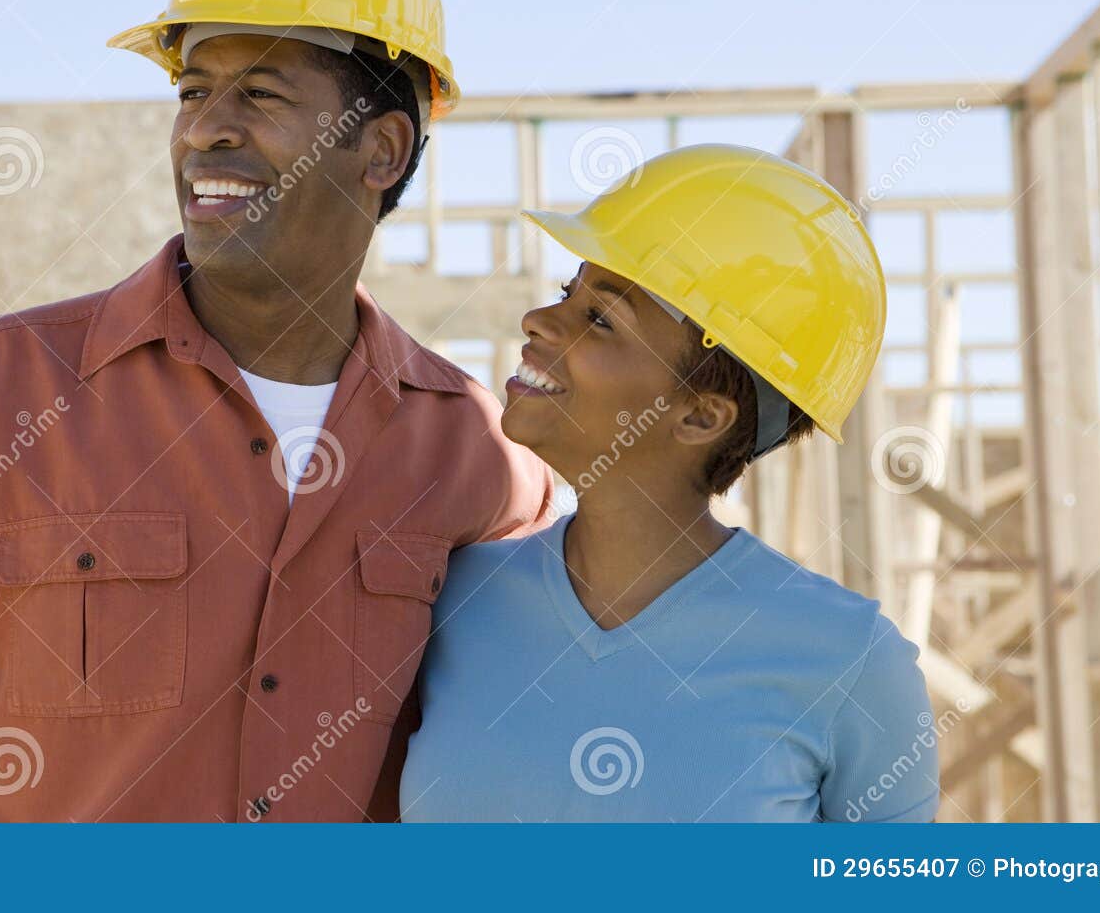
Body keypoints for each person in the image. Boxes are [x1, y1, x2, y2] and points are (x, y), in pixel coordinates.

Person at [0, 0, 554, 822]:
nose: (204, 128)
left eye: (260, 93)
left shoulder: (483, 458)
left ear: (381, 150)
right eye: (191, 92)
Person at [401, 145, 939, 822]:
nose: (539, 320)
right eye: (568, 293)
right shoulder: (450, 599)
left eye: (601, 319)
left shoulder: (849, 662)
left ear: (700, 415)